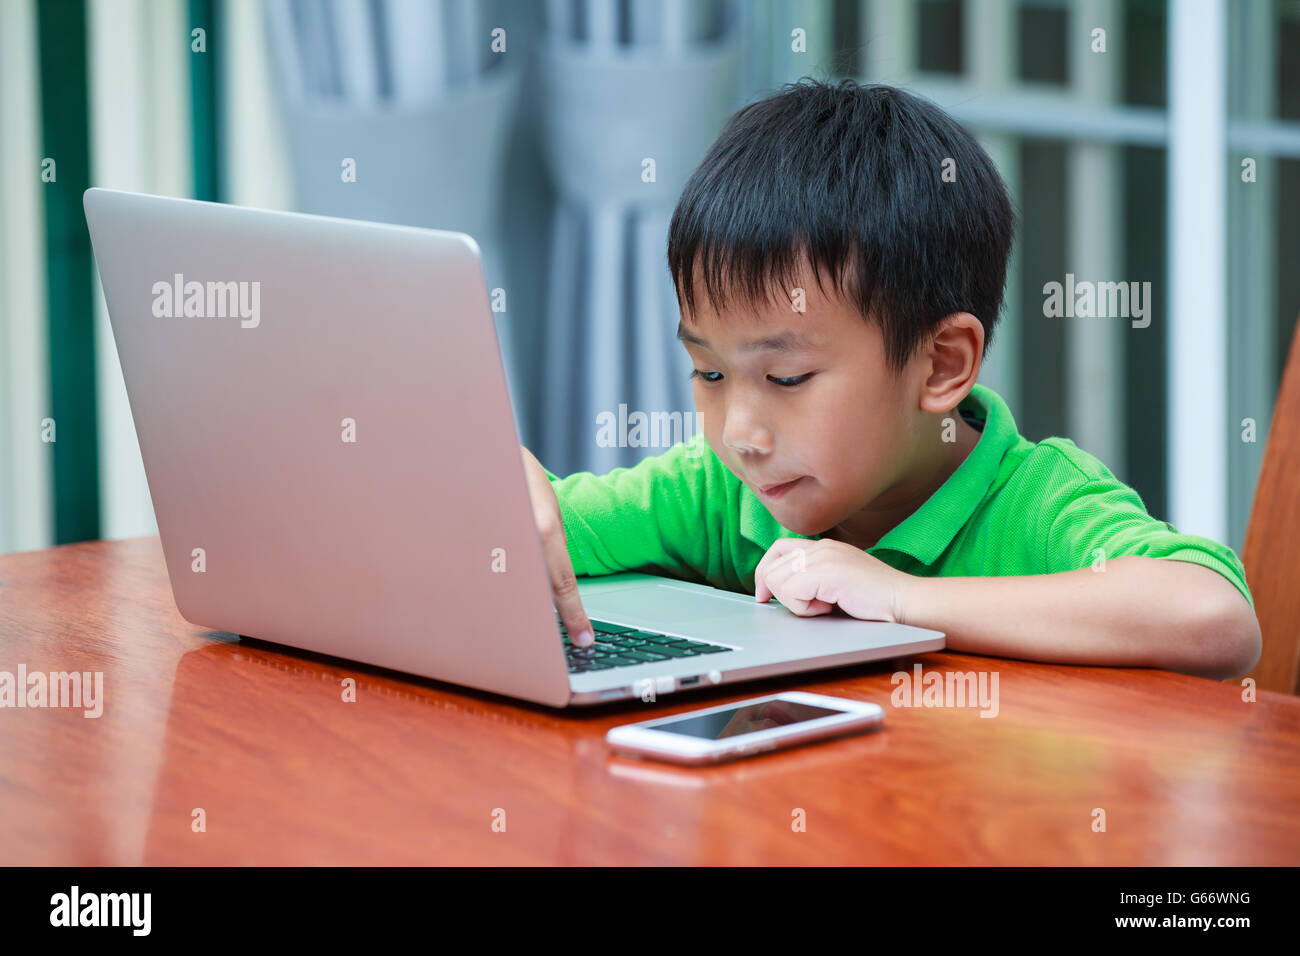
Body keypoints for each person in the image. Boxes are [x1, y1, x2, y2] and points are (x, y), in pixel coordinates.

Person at [520, 78, 1260, 681]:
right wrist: (501, 489)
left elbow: (1214, 617)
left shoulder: (1033, 500)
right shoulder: (723, 495)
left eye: (786, 376)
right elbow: (527, 530)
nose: (738, 433)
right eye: (708, 370)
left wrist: (901, 598)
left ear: (941, 365)